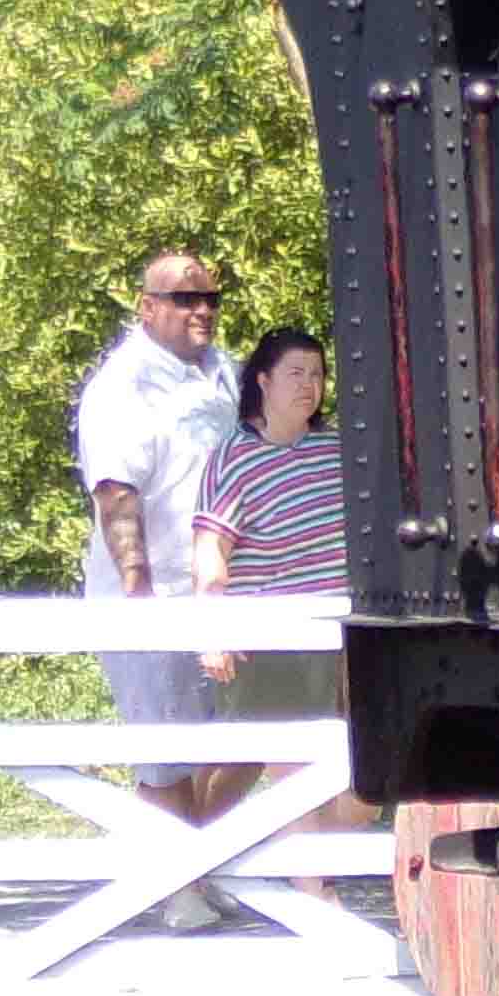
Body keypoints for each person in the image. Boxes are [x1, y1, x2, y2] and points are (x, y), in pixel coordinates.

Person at [73, 249, 236, 820]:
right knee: (167, 754)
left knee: (232, 741)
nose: (202, 310)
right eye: (183, 298)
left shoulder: (226, 371)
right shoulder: (125, 385)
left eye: (210, 299)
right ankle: (178, 895)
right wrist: (138, 597)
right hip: (153, 595)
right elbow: (116, 496)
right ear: (147, 307)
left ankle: (204, 867)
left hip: (217, 592)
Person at [190, 327, 348, 817]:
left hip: (339, 636)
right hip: (270, 636)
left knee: (346, 773)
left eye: (317, 374)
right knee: (252, 763)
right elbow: (211, 551)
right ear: (263, 381)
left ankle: (307, 880)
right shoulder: (234, 458)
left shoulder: (337, 451)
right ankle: (190, 866)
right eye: (295, 373)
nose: (309, 385)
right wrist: (211, 631)